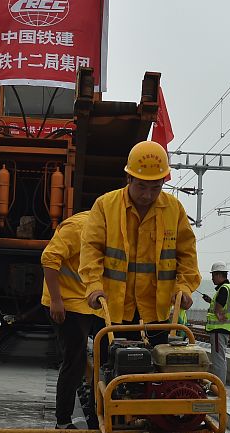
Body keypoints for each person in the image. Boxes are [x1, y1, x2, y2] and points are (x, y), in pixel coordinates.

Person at [81, 141, 199, 366]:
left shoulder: (174, 210)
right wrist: (93, 286)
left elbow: (187, 254)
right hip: (112, 310)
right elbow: (91, 250)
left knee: (156, 375)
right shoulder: (105, 206)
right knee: (110, 372)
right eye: (142, 186)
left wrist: (183, 287)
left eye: (156, 188)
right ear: (129, 179)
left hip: (157, 313)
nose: (148, 195)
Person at [41, 211, 99, 429]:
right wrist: (56, 300)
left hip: (91, 302)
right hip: (67, 304)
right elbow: (49, 258)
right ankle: (63, 422)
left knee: (106, 359)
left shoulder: (112, 229)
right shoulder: (78, 227)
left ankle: (98, 418)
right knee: (75, 360)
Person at [201, 262, 230, 383]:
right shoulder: (227, 288)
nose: (212, 278)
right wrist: (210, 301)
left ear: (220, 275)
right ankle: (220, 385)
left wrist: (218, 315)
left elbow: (219, 309)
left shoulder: (223, 289)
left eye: (214, 275)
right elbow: (220, 305)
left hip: (218, 330)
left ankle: (219, 387)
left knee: (218, 361)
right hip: (223, 330)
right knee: (221, 359)